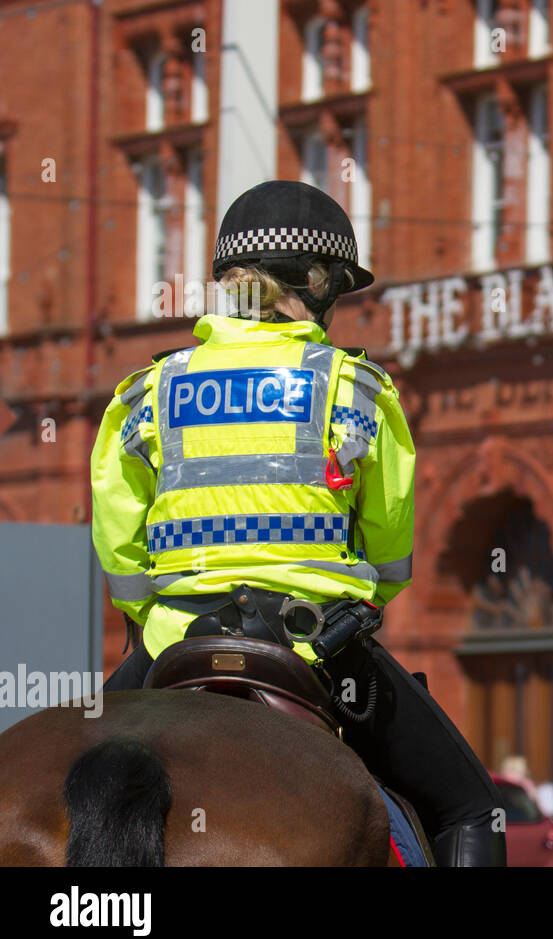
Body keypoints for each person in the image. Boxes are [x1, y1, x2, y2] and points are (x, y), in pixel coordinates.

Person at [91, 180, 506, 867]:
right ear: (316, 283)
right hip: (314, 648)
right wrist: (355, 599)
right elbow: (389, 552)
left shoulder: (147, 391)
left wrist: (150, 614)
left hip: (170, 647)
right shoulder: (355, 388)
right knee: (469, 806)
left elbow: (119, 547)